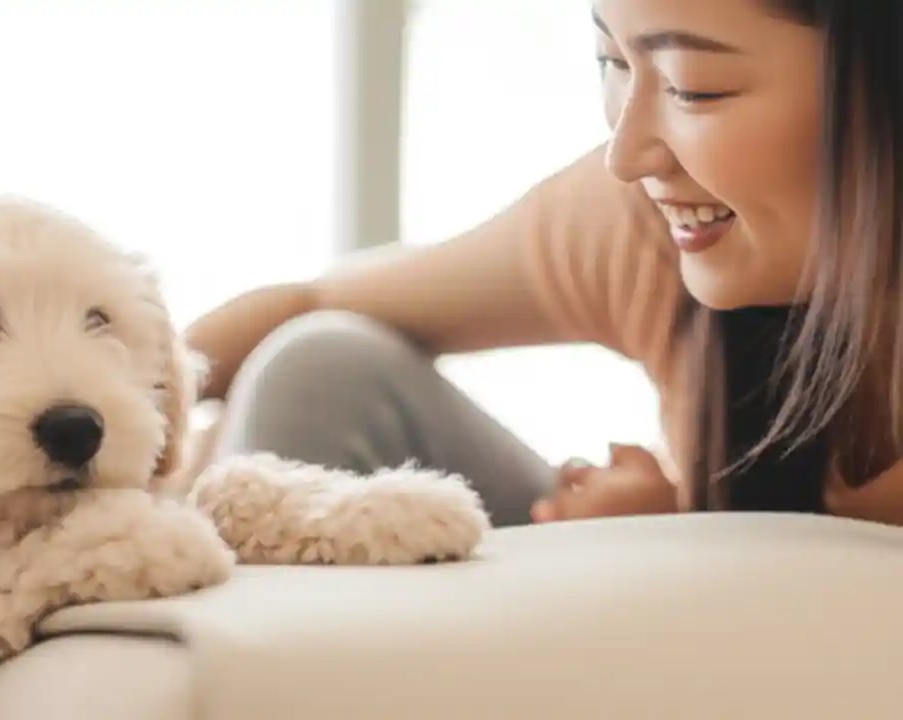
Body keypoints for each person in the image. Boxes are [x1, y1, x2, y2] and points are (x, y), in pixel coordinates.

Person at [182, 0, 903, 528]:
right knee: (325, 370)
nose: (627, 156)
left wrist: (686, 545)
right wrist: (132, 416)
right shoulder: (650, 226)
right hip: (704, 621)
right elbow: (314, 302)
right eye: (613, 63)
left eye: (693, 86)